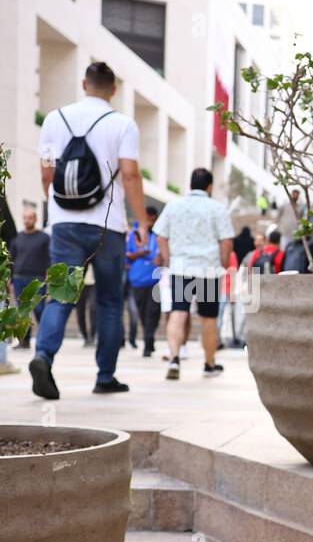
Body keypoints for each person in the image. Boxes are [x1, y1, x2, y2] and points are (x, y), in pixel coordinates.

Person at [30, 60, 146, 398]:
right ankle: (105, 377)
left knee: (61, 295)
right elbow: (130, 175)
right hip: (107, 226)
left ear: (84, 84)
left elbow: (46, 173)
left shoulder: (54, 119)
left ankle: (43, 356)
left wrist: (56, 207)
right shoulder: (123, 124)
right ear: (113, 90)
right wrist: (139, 223)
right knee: (109, 301)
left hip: (65, 223)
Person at [153, 167, 233, 379]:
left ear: (190, 185)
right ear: (209, 186)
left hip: (181, 268)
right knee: (208, 318)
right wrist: (223, 265)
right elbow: (226, 240)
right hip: (208, 269)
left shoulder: (174, 206)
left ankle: (174, 359)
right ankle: (209, 364)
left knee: (179, 312)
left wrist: (168, 259)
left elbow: (160, 235)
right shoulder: (217, 209)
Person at [9, 207, 51, 351]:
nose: (27, 220)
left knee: (39, 309)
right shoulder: (17, 238)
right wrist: (10, 279)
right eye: (25, 218)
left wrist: (49, 276)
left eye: (30, 218)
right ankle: (24, 341)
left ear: (35, 219)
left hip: (37, 279)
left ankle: (45, 340)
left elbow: (49, 258)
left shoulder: (44, 238)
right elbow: (11, 259)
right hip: (19, 278)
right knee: (22, 312)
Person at [125, 206, 161, 356]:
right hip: (138, 279)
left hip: (155, 279)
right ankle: (149, 340)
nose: (151, 222)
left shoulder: (159, 234)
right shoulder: (134, 235)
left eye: (153, 219)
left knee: (153, 312)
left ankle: (148, 340)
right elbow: (127, 255)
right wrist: (140, 253)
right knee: (142, 312)